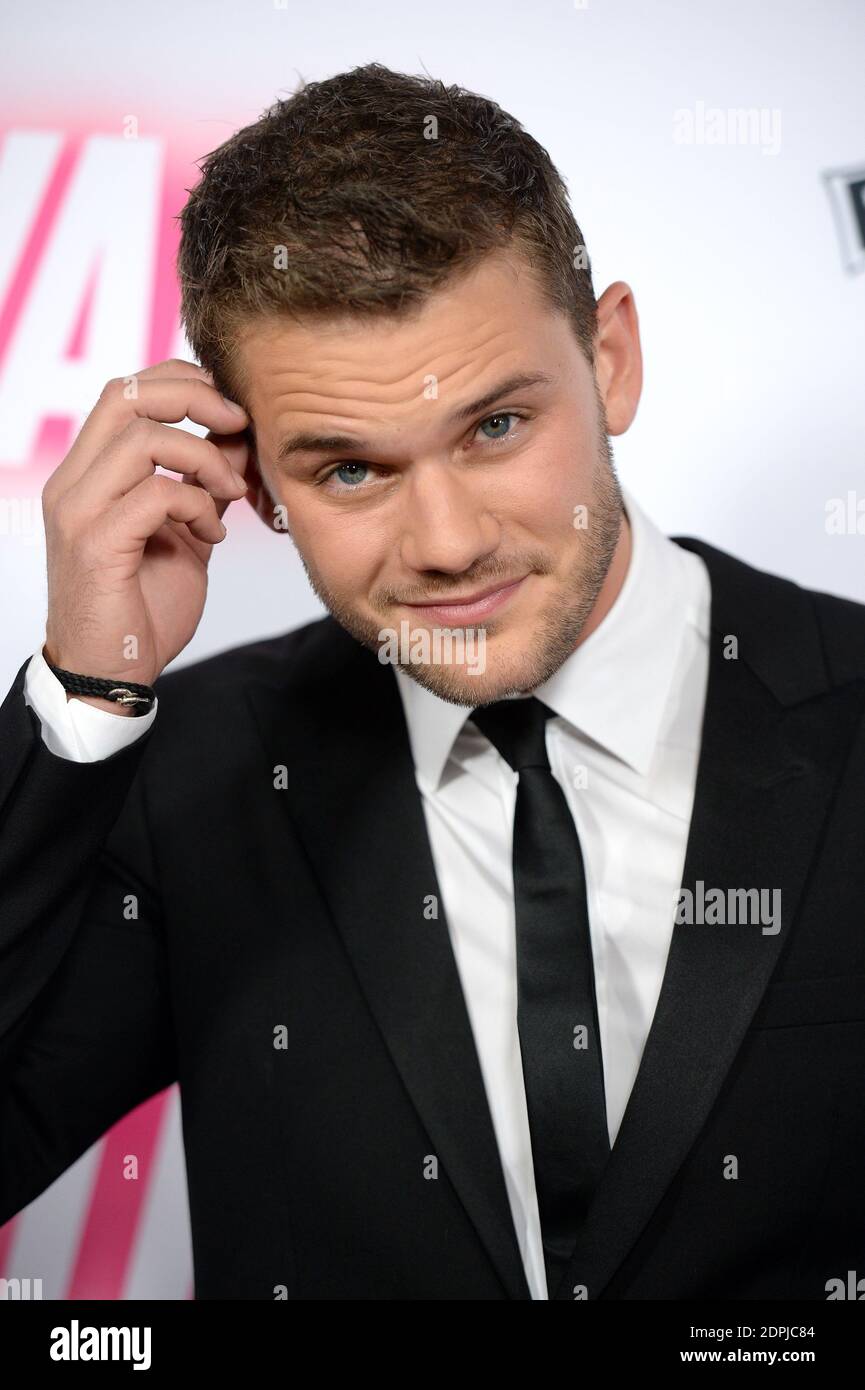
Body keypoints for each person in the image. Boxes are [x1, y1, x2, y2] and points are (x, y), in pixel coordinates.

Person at [1, 62, 864, 1301]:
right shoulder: (194, 781)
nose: (448, 540)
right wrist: (85, 691)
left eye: (496, 427)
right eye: (350, 469)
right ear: (251, 486)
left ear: (610, 360)